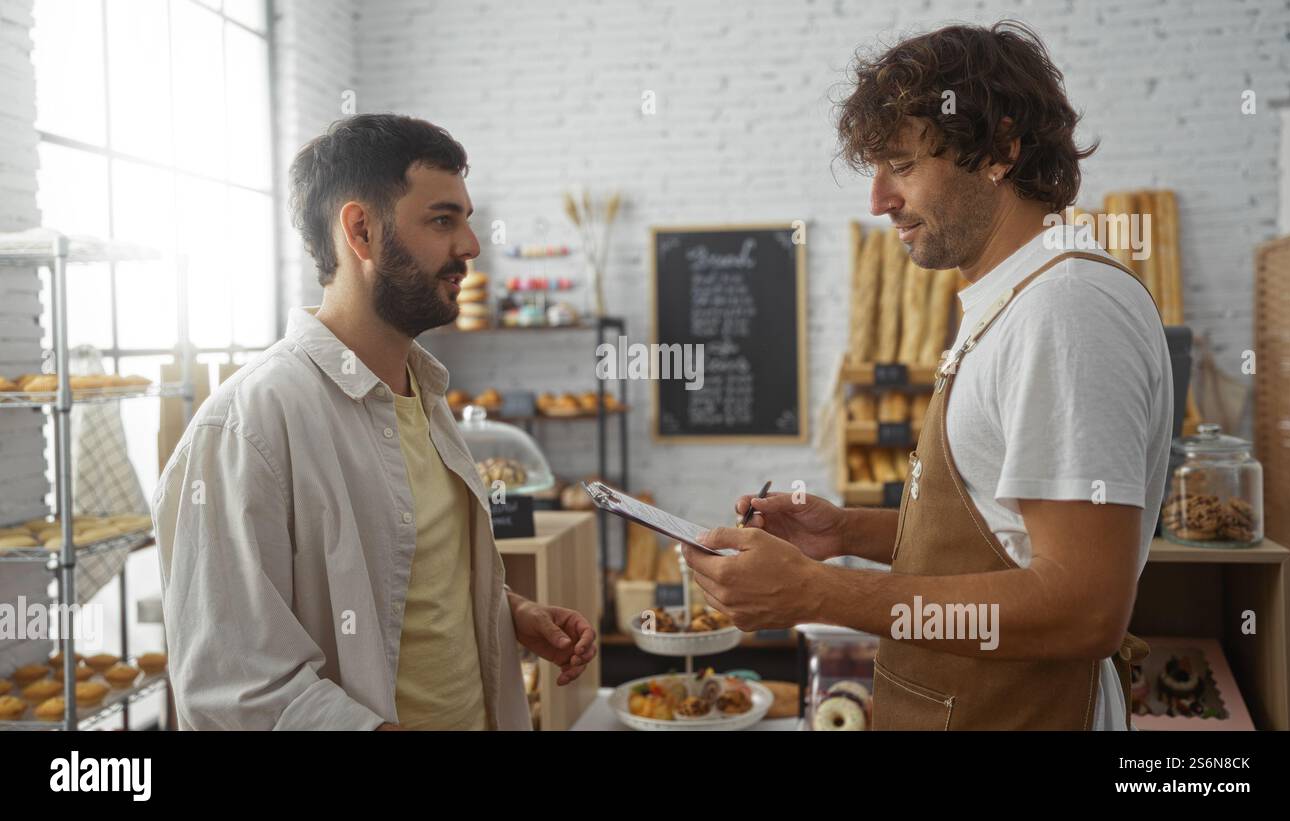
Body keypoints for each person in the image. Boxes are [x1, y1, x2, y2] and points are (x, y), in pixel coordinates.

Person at [685, 21, 1172, 730]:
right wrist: (846, 532)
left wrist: (819, 592)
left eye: (902, 165)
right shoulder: (1010, 301)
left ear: (1001, 149)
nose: (879, 199)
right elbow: (1004, 539)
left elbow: (1083, 607)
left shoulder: (1064, 309)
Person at [153, 114, 595, 730]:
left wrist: (505, 612)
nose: (470, 246)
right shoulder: (244, 428)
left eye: (465, 220)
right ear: (360, 230)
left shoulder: (424, 391)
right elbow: (233, 686)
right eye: (444, 220)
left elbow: (401, 583)